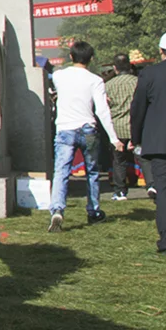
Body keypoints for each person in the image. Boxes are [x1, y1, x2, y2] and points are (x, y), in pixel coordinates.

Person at [48, 40, 119, 231]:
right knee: (92, 172)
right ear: (91, 58)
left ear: (71, 56)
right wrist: (114, 138)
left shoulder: (59, 76)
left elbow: (55, 83)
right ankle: (93, 210)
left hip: (65, 129)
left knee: (61, 171)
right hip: (88, 128)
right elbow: (102, 110)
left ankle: (57, 209)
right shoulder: (95, 80)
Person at [130, 33, 166, 255]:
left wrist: (136, 137)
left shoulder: (150, 73)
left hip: (160, 141)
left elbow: (138, 109)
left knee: (164, 190)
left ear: (161, 51)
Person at [105, 54, 142, 201]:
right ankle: (152, 185)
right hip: (137, 126)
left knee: (118, 160)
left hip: (117, 127)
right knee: (143, 158)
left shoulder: (108, 85)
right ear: (130, 66)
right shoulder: (138, 82)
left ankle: (120, 190)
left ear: (115, 68)